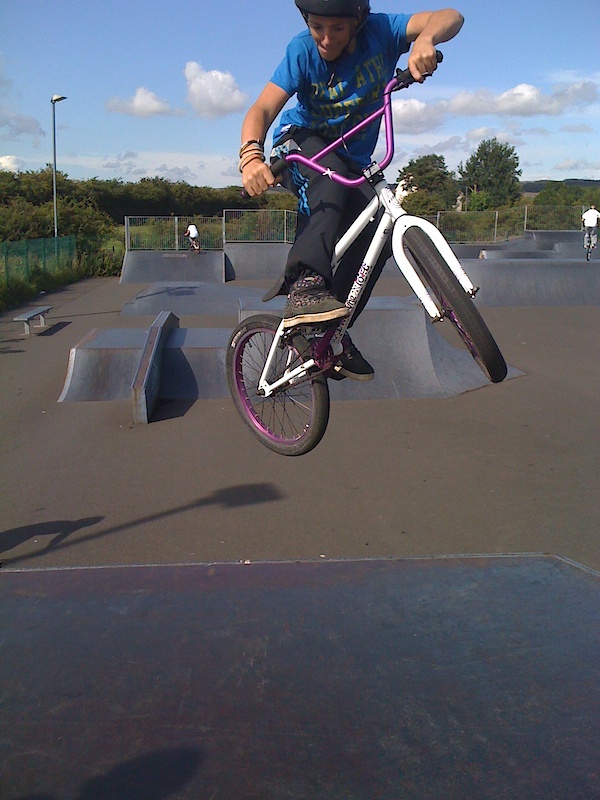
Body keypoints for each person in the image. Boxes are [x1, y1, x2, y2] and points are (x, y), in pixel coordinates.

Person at [240, 1, 464, 380]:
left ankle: (333, 332)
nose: (326, 39)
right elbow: (261, 108)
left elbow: (451, 16)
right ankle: (305, 285)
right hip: (304, 146)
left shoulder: (382, 31)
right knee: (328, 176)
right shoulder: (301, 51)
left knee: (381, 225)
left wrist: (425, 38)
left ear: (358, 22)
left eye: (337, 29)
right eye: (318, 27)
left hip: (353, 160)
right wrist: (250, 157)